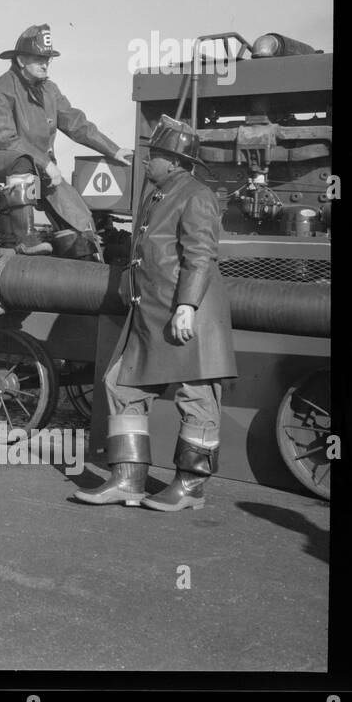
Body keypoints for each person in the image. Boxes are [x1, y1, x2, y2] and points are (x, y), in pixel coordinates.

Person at [75, 115, 237, 511]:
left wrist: (186, 306)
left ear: (176, 162)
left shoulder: (196, 195)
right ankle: (128, 479)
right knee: (121, 386)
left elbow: (200, 256)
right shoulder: (159, 194)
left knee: (197, 397)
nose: (146, 162)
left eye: (156, 156)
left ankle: (190, 487)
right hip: (151, 315)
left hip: (186, 316)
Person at [0, 23, 133, 259]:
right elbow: (4, 139)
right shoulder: (0, 89)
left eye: (48, 58)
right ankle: (24, 238)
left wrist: (114, 150)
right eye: (39, 58)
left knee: (79, 221)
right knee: (22, 161)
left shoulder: (50, 90)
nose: (45, 63)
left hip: (40, 166)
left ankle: (81, 258)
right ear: (21, 60)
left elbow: (77, 124)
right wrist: (46, 164)